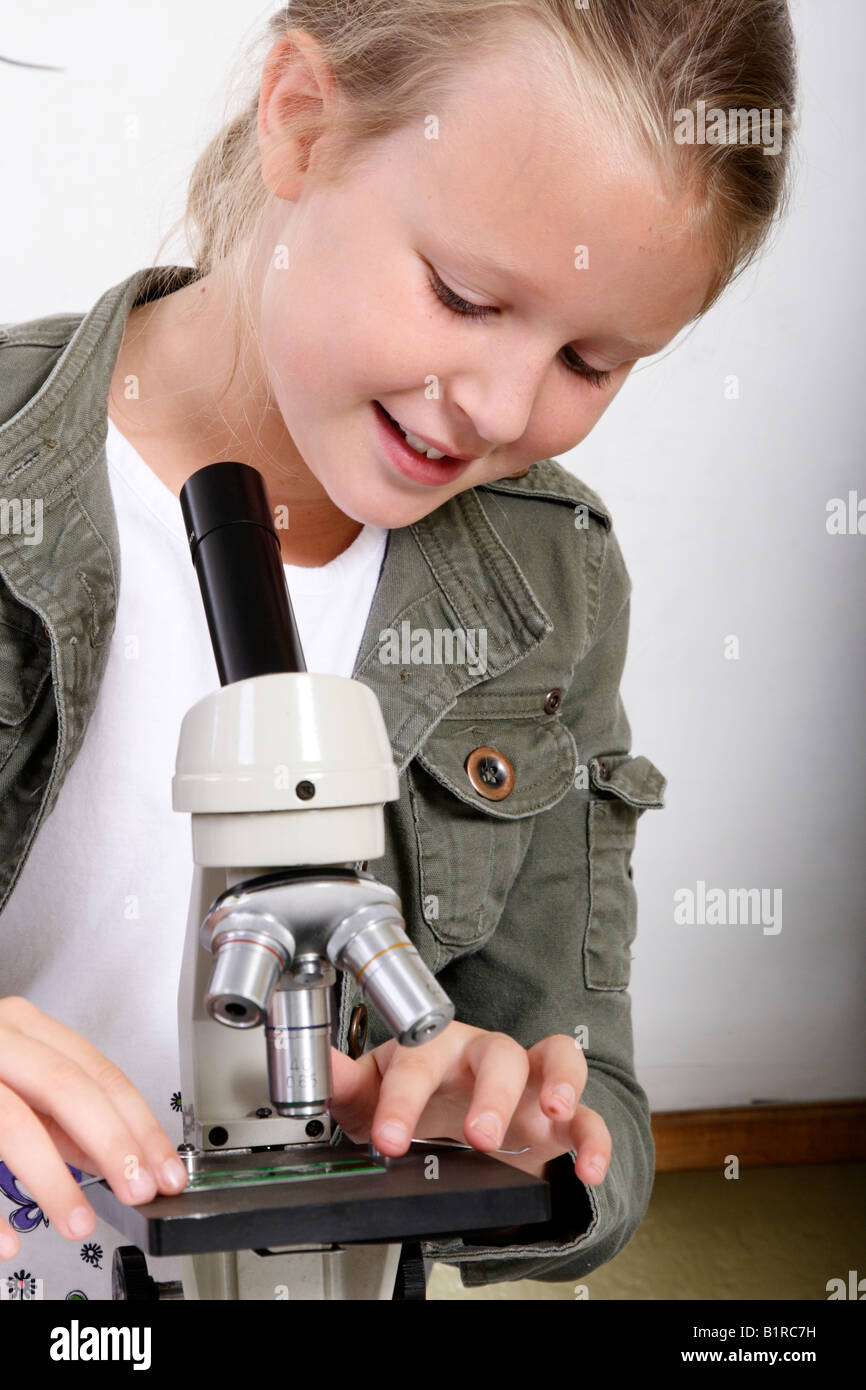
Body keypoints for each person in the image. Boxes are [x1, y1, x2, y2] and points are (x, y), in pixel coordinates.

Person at [0, 1, 798, 1298]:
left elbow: (599, 1116)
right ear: (301, 124)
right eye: (463, 296)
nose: (497, 406)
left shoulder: (555, 576)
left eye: (591, 362)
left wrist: (522, 1132)